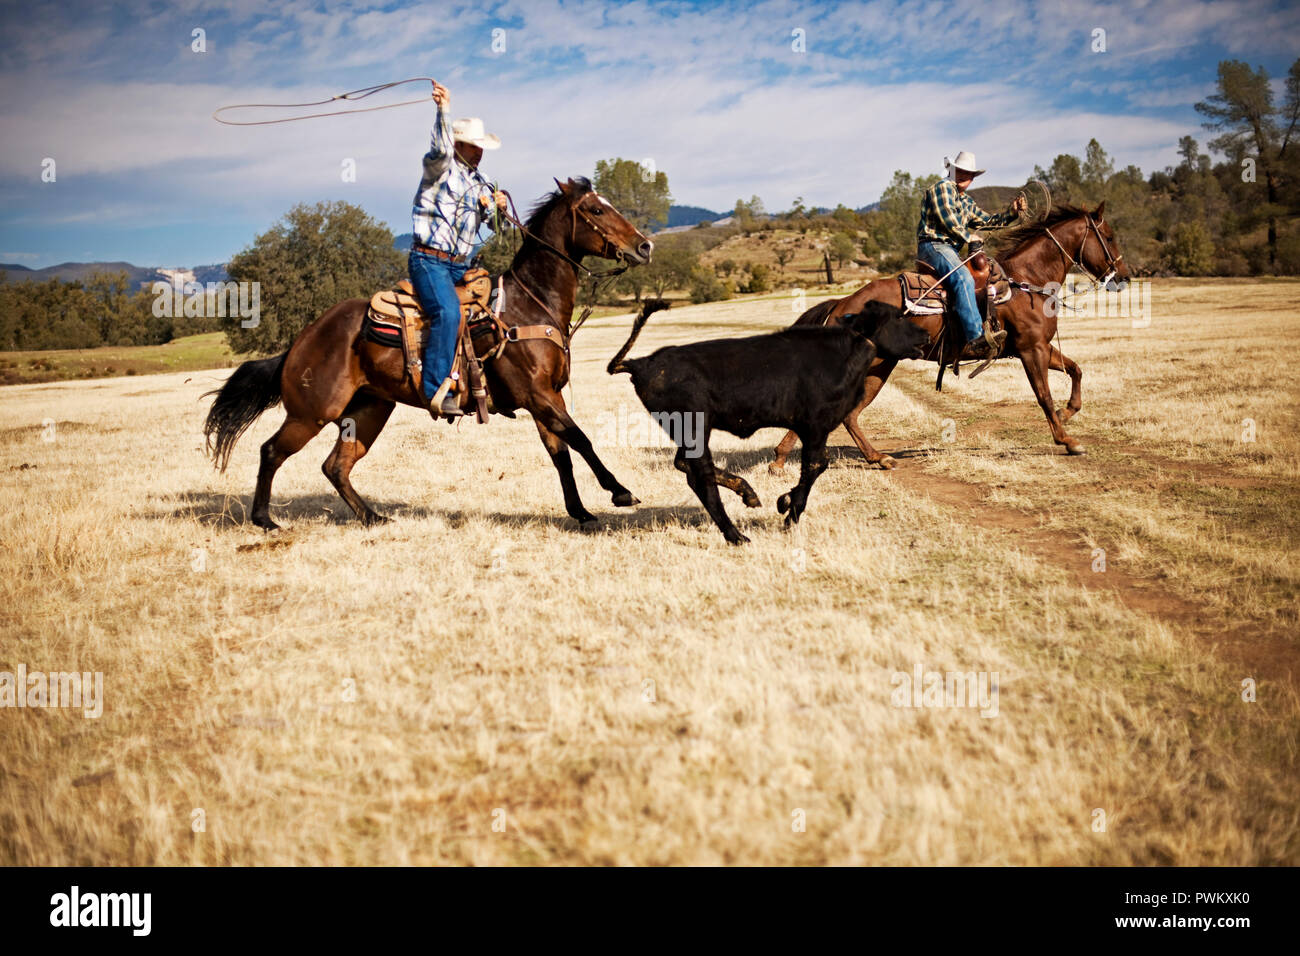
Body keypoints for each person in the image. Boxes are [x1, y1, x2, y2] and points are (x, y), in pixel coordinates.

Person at [409, 81, 508, 417]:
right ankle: (437, 389)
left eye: (480, 147)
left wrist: (499, 208)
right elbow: (439, 147)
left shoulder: (481, 183)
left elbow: (497, 227)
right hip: (429, 261)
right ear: (459, 144)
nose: (479, 152)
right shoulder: (440, 168)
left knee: (498, 306)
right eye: (471, 145)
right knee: (448, 313)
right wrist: (443, 109)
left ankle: (489, 383)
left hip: (459, 264)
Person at [916, 151, 1026, 359]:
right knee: (963, 278)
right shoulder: (942, 188)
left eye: (969, 174)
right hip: (933, 246)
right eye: (961, 171)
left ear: (974, 177)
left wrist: (1011, 213)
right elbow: (947, 219)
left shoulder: (965, 201)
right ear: (952, 170)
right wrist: (969, 237)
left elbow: (988, 220)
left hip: (948, 250)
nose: (964, 176)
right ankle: (976, 338)